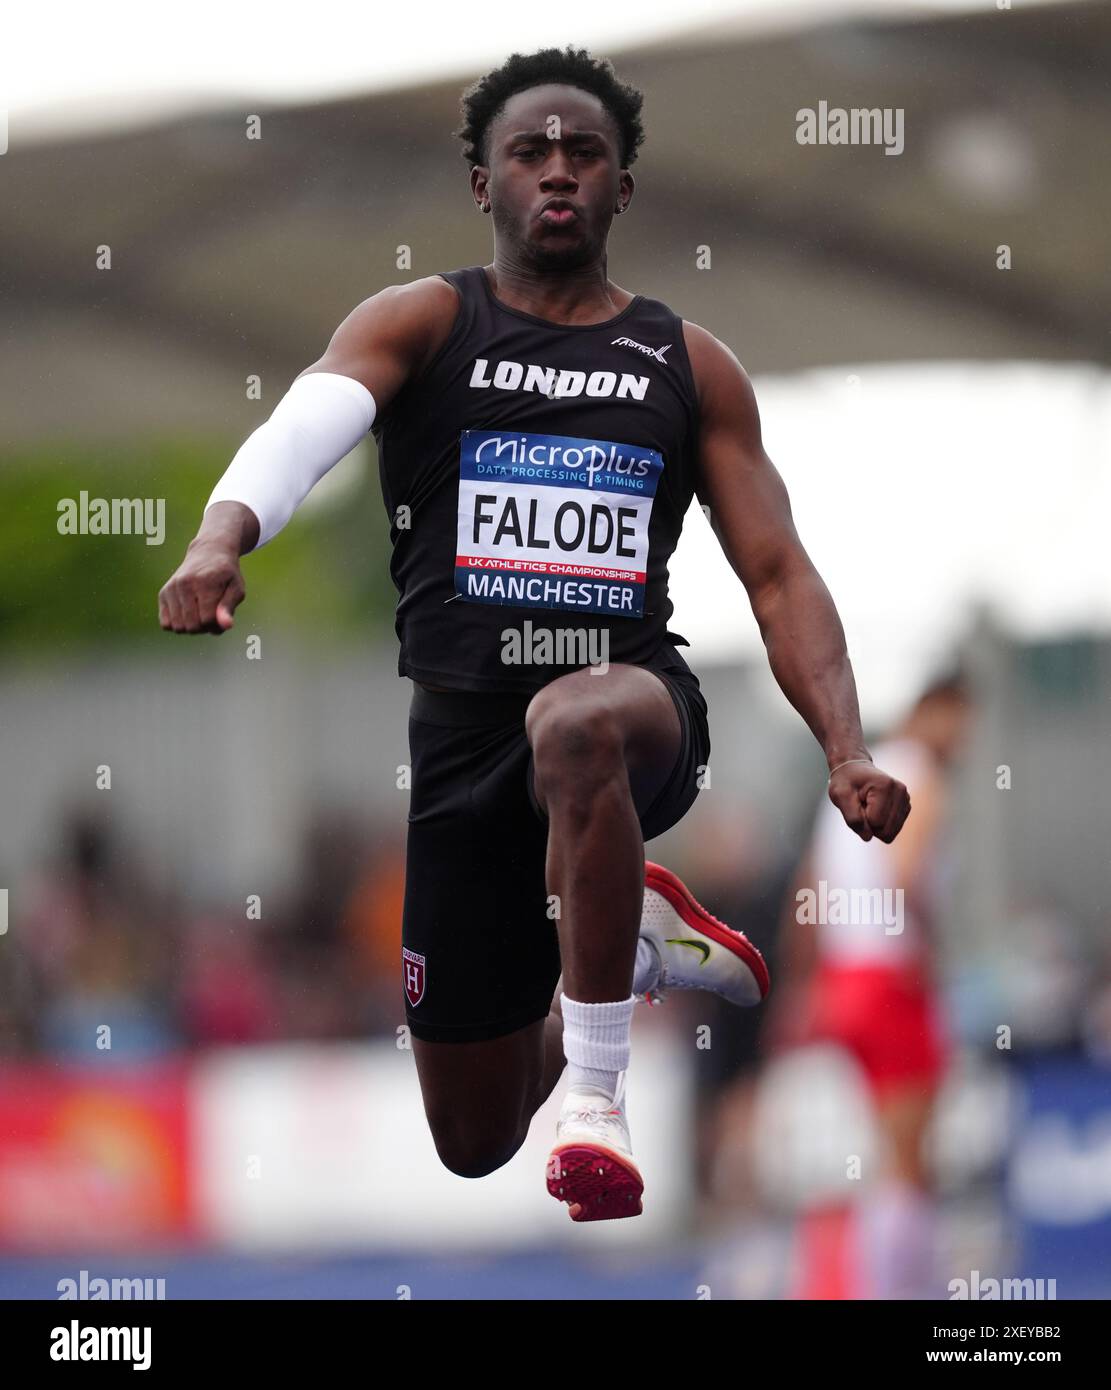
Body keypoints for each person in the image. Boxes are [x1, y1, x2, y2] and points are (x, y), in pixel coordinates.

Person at [158, 46, 909, 1222]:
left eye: (584, 153)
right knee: (472, 1135)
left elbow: (776, 572)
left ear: (622, 186)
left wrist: (846, 747)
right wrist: (221, 535)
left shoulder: (686, 364)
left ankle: (599, 1098)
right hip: (464, 753)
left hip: (633, 705)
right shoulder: (423, 321)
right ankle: (631, 944)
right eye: (529, 152)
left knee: (572, 720)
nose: (558, 170)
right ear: (483, 182)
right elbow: (305, 424)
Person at [768, 670, 971, 1295]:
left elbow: (807, 889)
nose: (965, 742)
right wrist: (931, 955)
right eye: (962, 724)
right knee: (909, 1162)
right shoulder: (920, 777)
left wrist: (801, 984)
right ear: (935, 710)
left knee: (879, 1157)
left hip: (842, 979)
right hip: (891, 979)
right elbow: (906, 878)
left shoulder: (850, 784)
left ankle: (870, 1281)